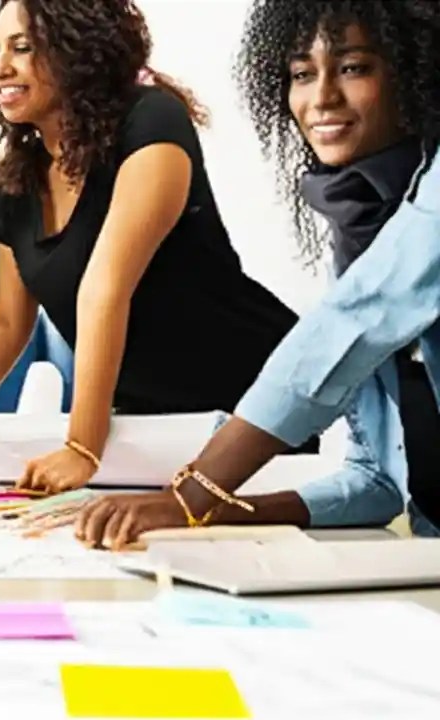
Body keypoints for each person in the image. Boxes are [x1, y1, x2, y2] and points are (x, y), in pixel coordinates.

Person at [75, 0, 440, 549]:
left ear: (415, 74)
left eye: (353, 67)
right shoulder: (360, 229)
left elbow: (359, 318)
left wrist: (195, 493)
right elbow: (377, 481)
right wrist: (212, 514)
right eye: (301, 74)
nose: (322, 98)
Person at [0, 0, 308, 493]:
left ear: (77, 51)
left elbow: (105, 289)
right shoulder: (18, 175)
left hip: (256, 403)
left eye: (22, 48)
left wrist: (82, 446)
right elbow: (9, 323)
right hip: (153, 426)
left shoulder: (152, 123)